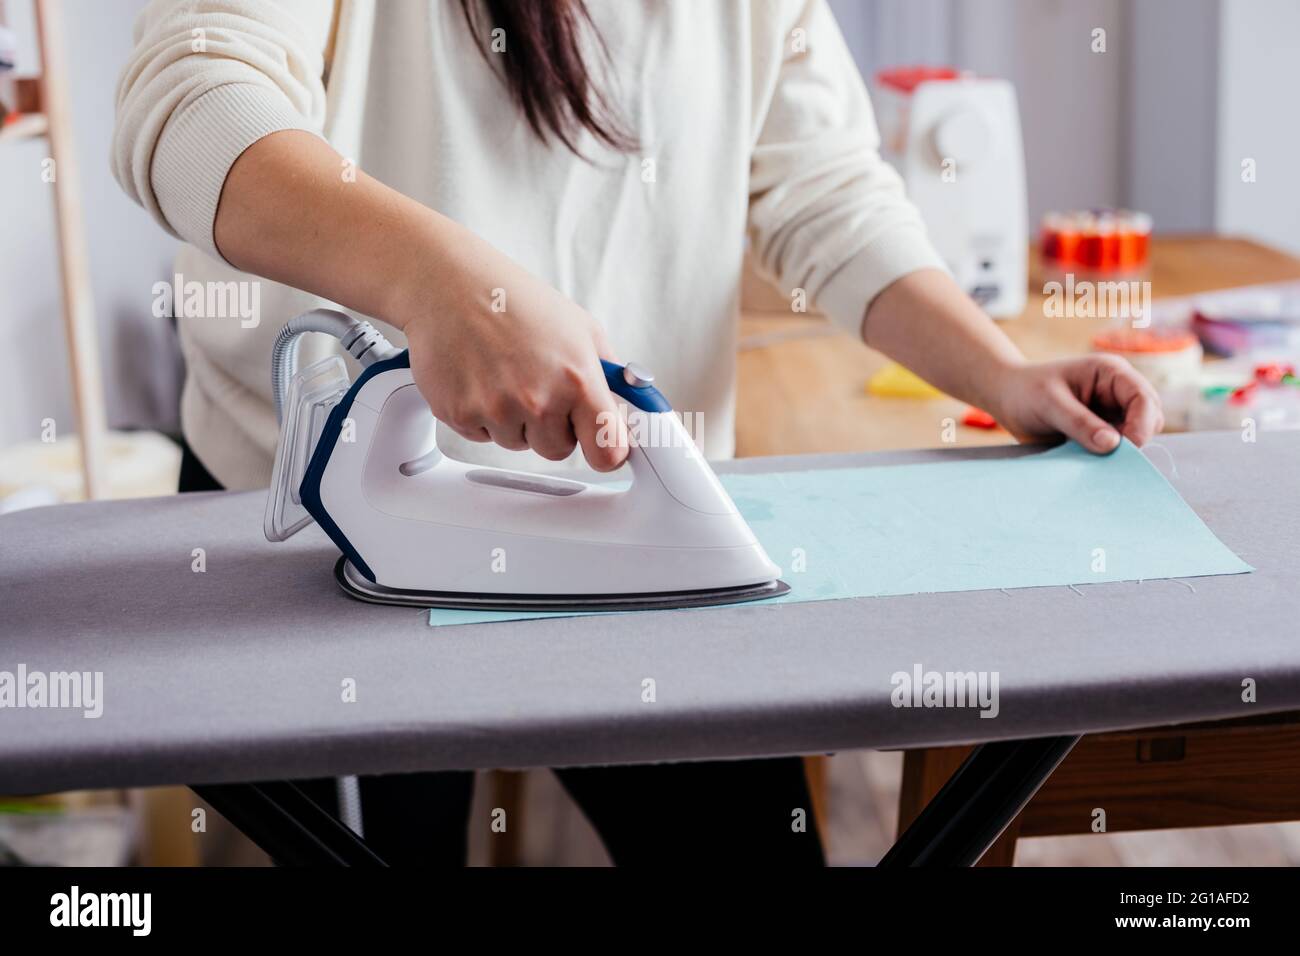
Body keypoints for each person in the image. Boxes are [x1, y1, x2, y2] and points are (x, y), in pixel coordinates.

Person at [113, 0, 1162, 866]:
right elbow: (191, 100)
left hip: (613, 542)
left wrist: (1000, 372)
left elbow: (823, 194)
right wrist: (437, 283)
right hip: (328, 534)